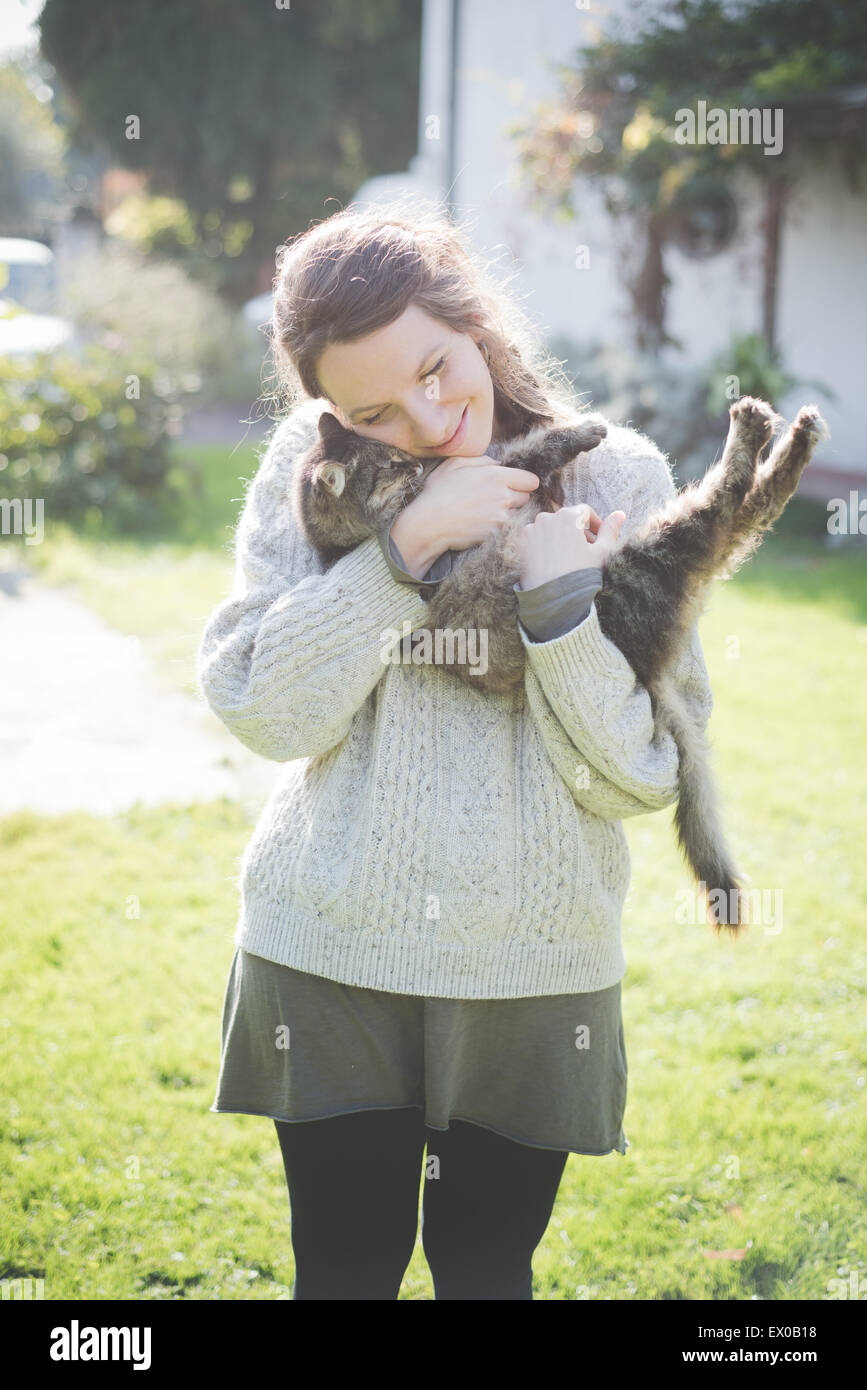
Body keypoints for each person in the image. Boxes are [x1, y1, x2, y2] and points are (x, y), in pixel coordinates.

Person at [196, 200, 715, 1301]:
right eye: (374, 407)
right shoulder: (314, 467)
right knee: (342, 1274)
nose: (429, 422)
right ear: (329, 410)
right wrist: (405, 548)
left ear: (475, 319)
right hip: (330, 952)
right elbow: (269, 709)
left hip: (533, 972)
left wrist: (559, 613)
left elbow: (647, 775)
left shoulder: (617, 478)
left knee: (486, 1273)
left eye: (438, 368)